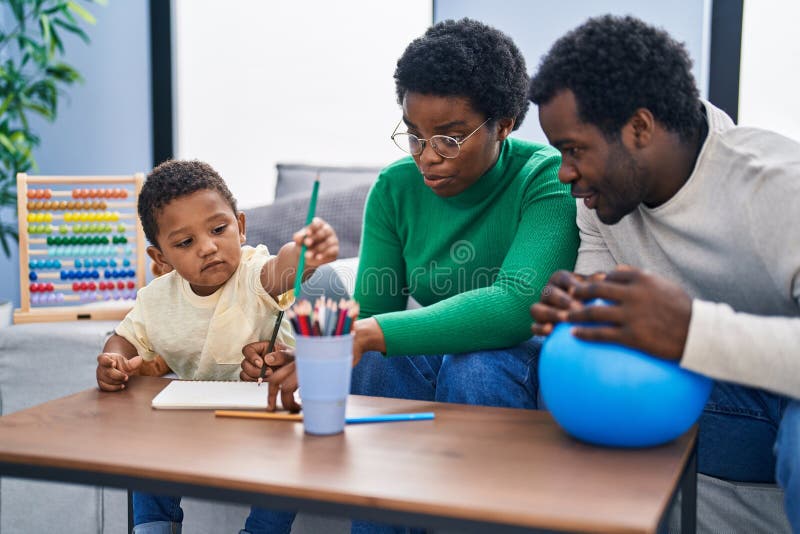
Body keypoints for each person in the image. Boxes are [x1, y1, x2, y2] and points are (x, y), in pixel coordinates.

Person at [239, 18, 579, 534]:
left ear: (504, 123)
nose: (427, 158)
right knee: (376, 366)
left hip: (522, 354)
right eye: (415, 136)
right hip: (441, 349)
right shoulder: (395, 189)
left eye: (450, 138)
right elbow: (376, 312)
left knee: (475, 368)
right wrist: (321, 350)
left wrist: (367, 334)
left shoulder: (546, 179)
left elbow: (515, 306)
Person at [527, 15, 799, 531]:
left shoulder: (779, 191)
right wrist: (581, 307)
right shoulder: (600, 198)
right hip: (715, 388)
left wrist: (691, 330)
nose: (564, 172)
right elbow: (600, 295)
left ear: (640, 128)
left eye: (574, 149)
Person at [95, 159, 339, 534]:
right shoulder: (157, 298)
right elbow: (126, 338)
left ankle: (261, 530)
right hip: (197, 420)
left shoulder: (252, 272)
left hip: (266, 418)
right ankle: (154, 527)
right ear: (161, 258)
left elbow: (282, 269)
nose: (209, 248)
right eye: (185, 242)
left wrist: (305, 253)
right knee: (145, 447)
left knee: (290, 455)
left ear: (240, 227)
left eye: (219, 229)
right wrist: (115, 359)